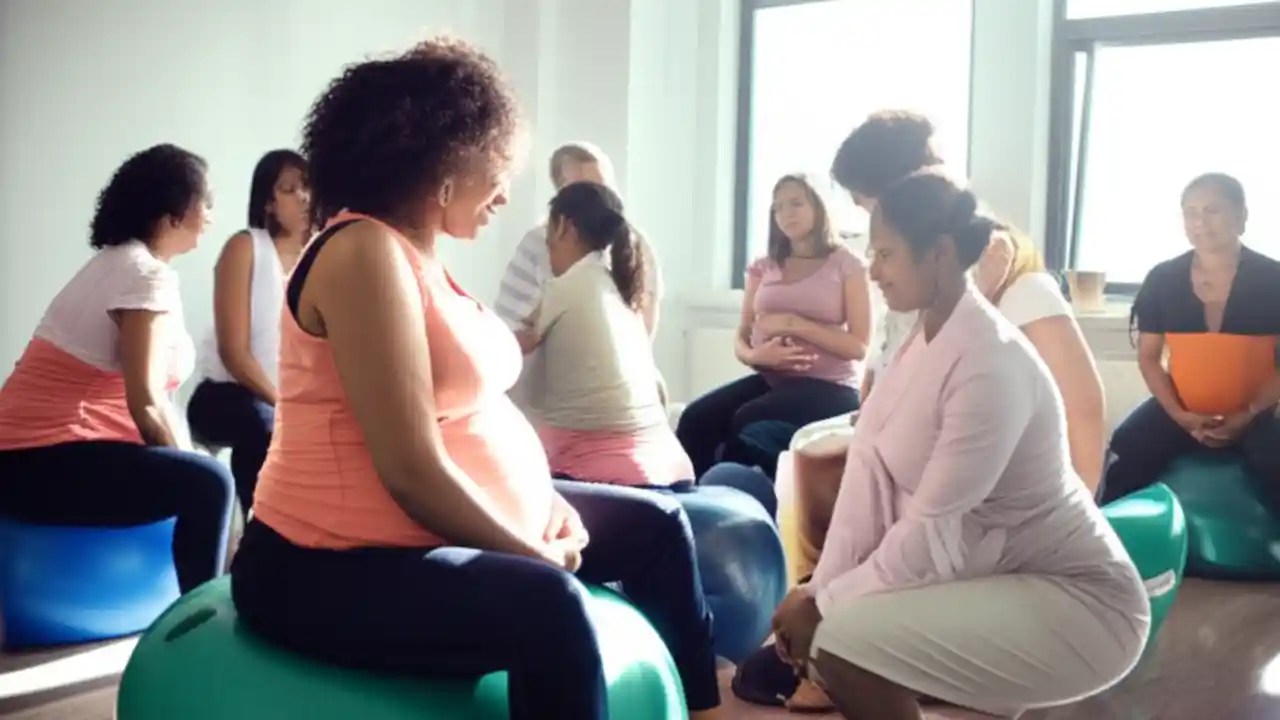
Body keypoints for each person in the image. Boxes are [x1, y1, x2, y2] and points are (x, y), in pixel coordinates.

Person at [228, 37, 723, 720]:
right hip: (325, 565)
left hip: (432, 532)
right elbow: (409, 469)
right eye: (499, 164)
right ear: (444, 159)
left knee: (662, 525)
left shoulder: (417, 255)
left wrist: (538, 504)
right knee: (548, 605)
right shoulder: (362, 253)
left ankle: (705, 713)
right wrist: (528, 551)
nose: (506, 191)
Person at [731, 111, 1108, 712]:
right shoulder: (922, 335)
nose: (870, 270)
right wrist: (819, 588)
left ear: (936, 250)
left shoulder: (990, 353)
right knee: (815, 471)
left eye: (882, 251)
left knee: (845, 640)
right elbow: (870, 473)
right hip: (973, 546)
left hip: (1056, 584)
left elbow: (1079, 413)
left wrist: (825, 603)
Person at [0, 144, 234, 593]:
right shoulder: (143, 274)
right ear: (173, 214)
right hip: (33, 466)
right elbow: (146, 402)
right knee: (211, 483)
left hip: (26, 460)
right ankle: (204, 618)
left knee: (198, 469)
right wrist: (188, 465)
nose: (209, 214)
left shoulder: (117, 263)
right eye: (204, 202)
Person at [676, 173, 873, 477]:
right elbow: (743, 332)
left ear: (818, 207)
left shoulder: (847, 264)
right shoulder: (764, 265)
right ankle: (700, 504)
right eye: (778, 207)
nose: (786, 213)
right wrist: (754, 357)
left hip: (830, 387)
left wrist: (795, 324)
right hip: (772, 380)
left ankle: (747, 501)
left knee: (750, 419)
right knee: (695, 418)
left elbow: (858, 346)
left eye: (796, 203)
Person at [1102, 173, 1280, 506]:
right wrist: (1180, 415)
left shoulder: (1273, 279)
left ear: (1242, 216)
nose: (1200, 221)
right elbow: (1149, 358)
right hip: (1180, 410)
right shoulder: (1163, 278)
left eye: (1213, 210)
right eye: (1190, 211)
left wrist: (1249, 413)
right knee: (1126, 449)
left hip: (1257, 414)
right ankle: (1106, 552)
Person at [518, 181, 690, 488]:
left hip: (607, 474)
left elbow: (511, 355)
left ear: (564, 228)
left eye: (548, 241)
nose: (549, 254)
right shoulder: (622, 293)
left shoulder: (565, 288)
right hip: (670, 468)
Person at [495, 142, 666, 412]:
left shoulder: (636, 246)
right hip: (549, 381)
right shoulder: (536, 244)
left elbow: (644, 332)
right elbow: (513, 333)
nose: (595, 202)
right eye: (583, 191)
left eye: (602, 188)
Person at [187, 149, 311, 514]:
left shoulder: (321, 258)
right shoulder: (245, 247)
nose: (303, 196)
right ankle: (259, 533)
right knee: (263, 424)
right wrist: (285, 405)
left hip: (285, 405)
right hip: (223, 396)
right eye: (289, 189)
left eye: (307, 186)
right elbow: (234, 353)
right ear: (269, 203)